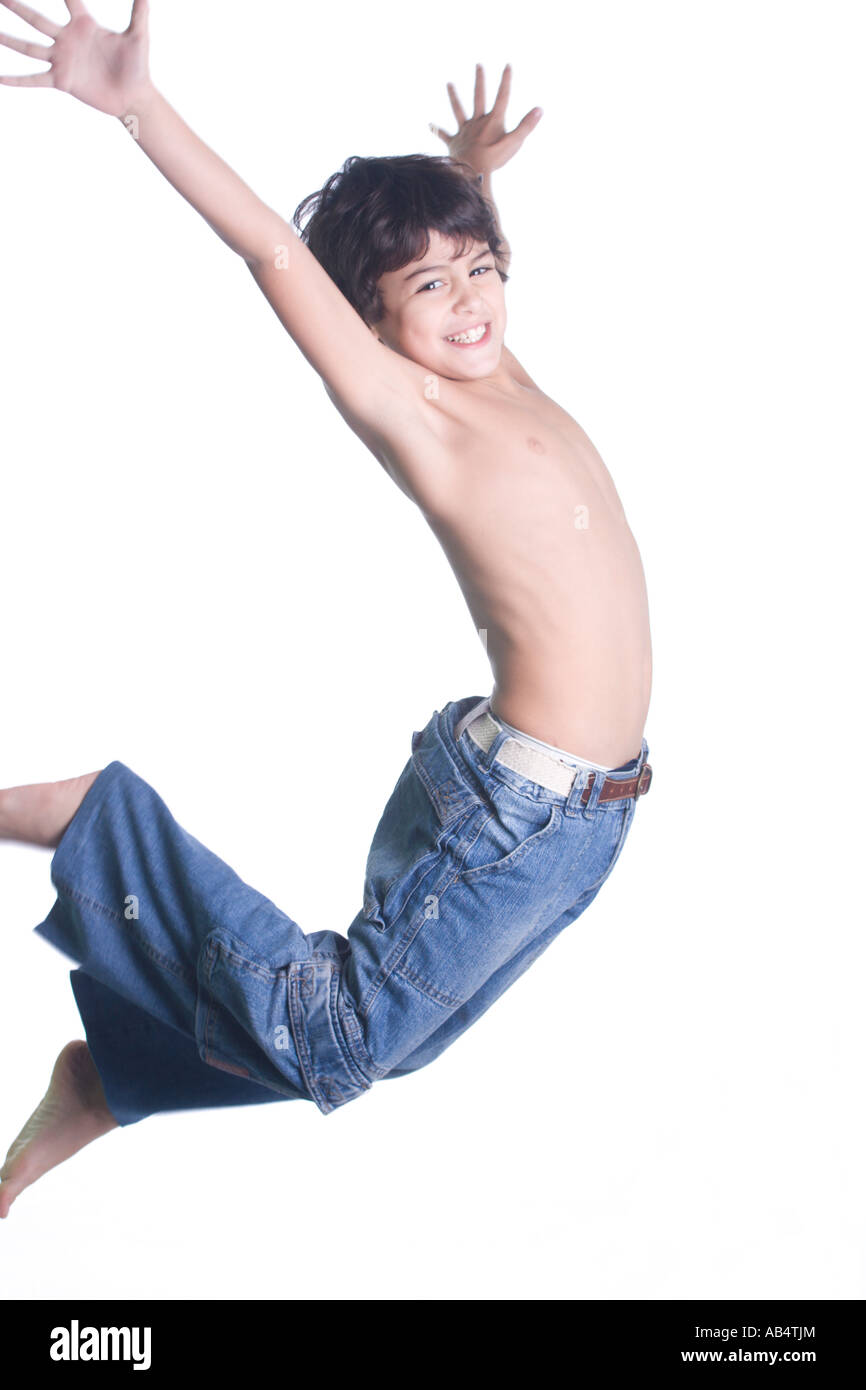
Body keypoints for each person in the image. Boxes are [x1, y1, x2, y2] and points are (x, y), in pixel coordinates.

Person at [0, 0, 653, 1217]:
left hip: (583, 814)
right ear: (373, 325)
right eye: (426, 287)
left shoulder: (496, 363)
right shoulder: (420, 415)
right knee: (344, 1035)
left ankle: (115, 1075)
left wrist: (466, 182)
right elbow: (273, 252)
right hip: (518, 810)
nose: (467, 301)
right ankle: (100, 821)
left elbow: (461, 265)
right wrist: (139, 109)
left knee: (390, 1042)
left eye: (477, 271)